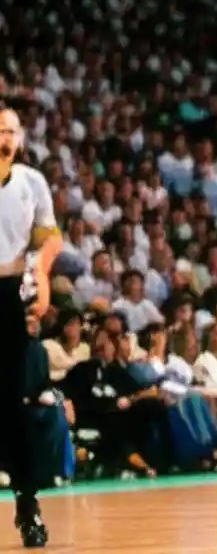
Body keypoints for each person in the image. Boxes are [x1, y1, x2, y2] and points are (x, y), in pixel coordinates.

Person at [0, 107, 59, 547]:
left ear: (20, 138)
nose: (4, 136)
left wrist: (40, 272)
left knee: (11, 402)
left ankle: (27, 503)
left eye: (11, 130)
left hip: (7, 296)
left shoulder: (31, 181)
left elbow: (48, 236)